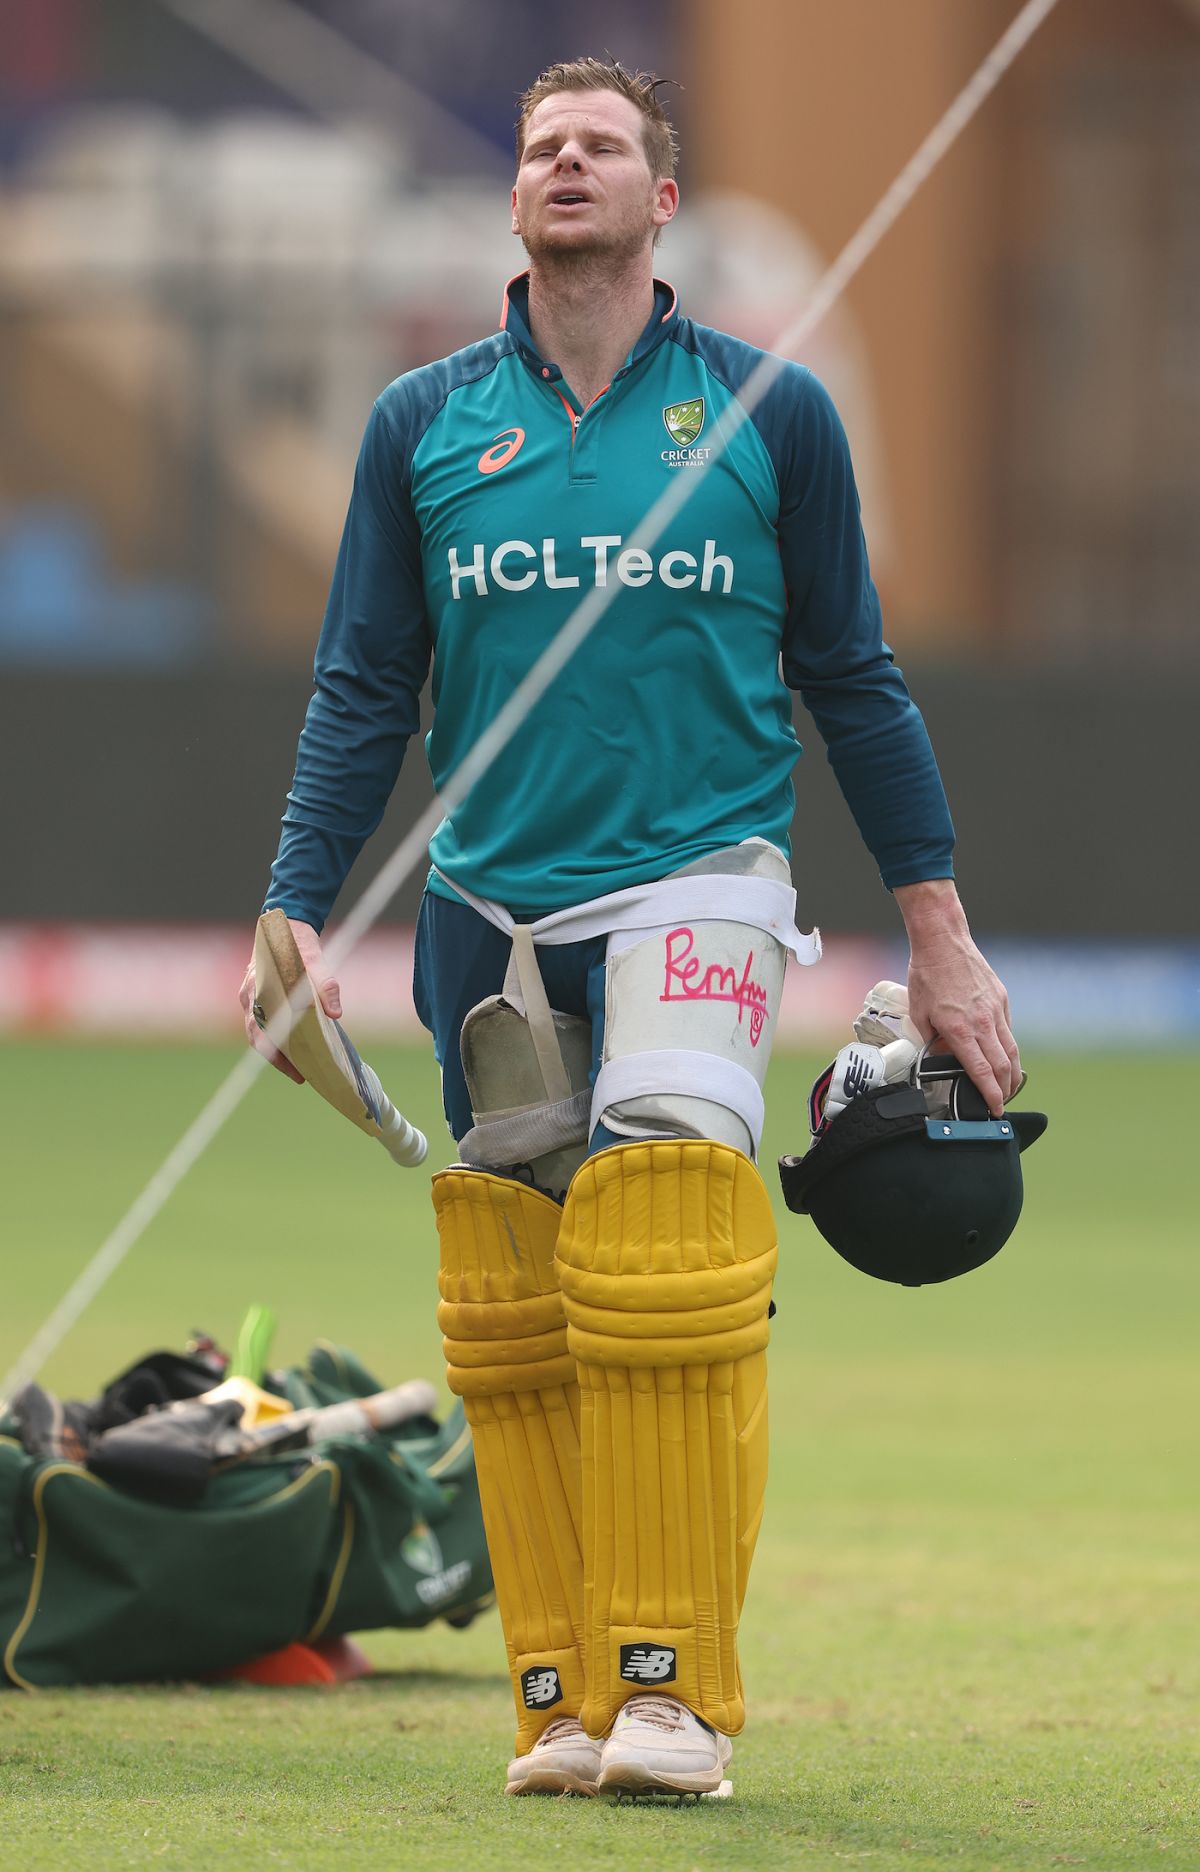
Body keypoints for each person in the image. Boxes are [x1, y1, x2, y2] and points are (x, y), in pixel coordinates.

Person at [239, 56, 1021, 1802]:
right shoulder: (421, 422)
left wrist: (940, 930)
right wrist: (294, 903)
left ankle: (678, 1698)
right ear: (513, 201)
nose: (566, 163)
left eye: (602, 144)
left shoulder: (773, 416)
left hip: (699, 877)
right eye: (540, 148)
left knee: (666, 1240)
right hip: (486, 909)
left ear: (665, 200)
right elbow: (366, 684)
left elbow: (858, 685)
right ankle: (565, 1699)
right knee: (522, 1308)